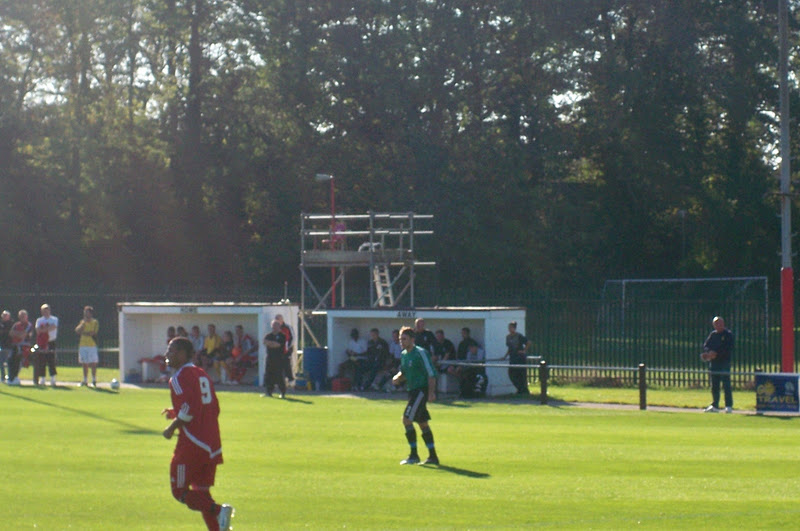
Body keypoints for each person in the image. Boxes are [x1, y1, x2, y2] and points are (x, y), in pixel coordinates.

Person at [161, 337, 234, 530]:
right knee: (201, 494)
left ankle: (220, 510)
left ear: (183, 354)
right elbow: (211, 406)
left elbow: (189, 408)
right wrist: (175, 412)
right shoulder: (202, 374)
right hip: (211, 444)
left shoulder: (178, 378)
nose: (168, 354)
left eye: (172, 350)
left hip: (192, 444)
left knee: (179, 491)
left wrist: (172, 427)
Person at [392, 327, 439, 465]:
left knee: (406, 419)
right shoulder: (404, 355)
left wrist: (431, 392)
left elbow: (431, 373)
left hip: (421, 391)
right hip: (412, 391)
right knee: (422, 423)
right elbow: (404, 372)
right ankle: (433, 457)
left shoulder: (420, 353)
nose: (401, 341)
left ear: (412, 339)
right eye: (400, 339)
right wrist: (398, 377)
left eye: (404, 339)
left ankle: (413, 455)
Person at [701, 316, 734, 413]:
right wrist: (709, 352)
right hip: (714, 363)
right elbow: (706, 345)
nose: (718, 326)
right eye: (715, 324)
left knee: (726, 384)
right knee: (714, 385)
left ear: (723, 324)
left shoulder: (728, 335)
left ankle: (728, 405)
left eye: (719, 323)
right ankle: (715, 405)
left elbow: (728, 348)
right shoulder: (713, 335)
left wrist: (716, 353)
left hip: (724, 362)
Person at [34, 303, 59, 386]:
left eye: (47, 310)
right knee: (42, 360)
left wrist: (43, 329)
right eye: (44, 311)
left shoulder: (54, 319)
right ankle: (42, 378)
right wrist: (46, 329)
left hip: (51, 342)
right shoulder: (39, 320)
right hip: (42, 343)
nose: (45, 312)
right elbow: (37, 330)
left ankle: (53, 379)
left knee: (51, 360)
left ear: (49, 310)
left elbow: (53, 327)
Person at [501, 321, 529, 395]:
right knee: (512, 374)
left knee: (521, 374)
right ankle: (519, 388)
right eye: (509, 327)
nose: (510, 329)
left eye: (511, 327)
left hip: (520, 358)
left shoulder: (519, 336)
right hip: (513, 358)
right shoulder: (508, 337)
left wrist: (523, 351)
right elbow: (510, 348)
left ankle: (523, 390)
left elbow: (528, 343)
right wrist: (505, 356)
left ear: (514, 328)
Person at [7, 309, 33, 385]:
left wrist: (16, 334)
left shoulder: (29, 325)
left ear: (26, 316)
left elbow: (23, 335)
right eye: (21, 316)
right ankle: (10, 377)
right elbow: (11, 333)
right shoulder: (16, 325)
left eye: (23, 316)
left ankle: (15, 377)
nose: (22, 318)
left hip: (24, 346)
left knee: (18, 361)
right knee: (10, 360)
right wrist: (19, 333)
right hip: (15, 345)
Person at [75, 305, 100, 387]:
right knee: (84, 363)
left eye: (87, 312)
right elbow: (77, 330)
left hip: (92, 345)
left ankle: (94, 380)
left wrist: (83, 333)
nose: (85, 314)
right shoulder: (82, 322)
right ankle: (85, 380)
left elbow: (92, 333)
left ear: (91, 313)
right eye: (85, 312)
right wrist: (83, 325)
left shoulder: (95, 322)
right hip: (83, 345)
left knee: (93, 363)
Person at [263, 319, 287, 398]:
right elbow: (265, 342)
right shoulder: (268, 335)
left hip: (279, 359)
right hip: (270, 358)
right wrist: (272, 343)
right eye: (273, 326)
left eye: (275, 325)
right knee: (269, 375)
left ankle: (282, 392)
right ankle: (269, 392)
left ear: (279, 326)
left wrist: (271, 343)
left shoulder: (282, 336)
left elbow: (278, 345)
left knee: (279, 376)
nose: (274, 327)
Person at [275, 314, 294, 384]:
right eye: (276, 319)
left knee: (287, 364)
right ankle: (280, 380)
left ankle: (290, 379)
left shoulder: (287, 327)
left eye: (278, 319)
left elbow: (293, 337)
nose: (277, 321)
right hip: (278, 350)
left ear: (282, 320)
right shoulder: (275, 328)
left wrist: (288, 346)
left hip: (287, 350)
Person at [0, 310, 12, 383]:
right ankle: (3, 376)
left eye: (5, 315)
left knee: (8, 362)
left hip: (8, 345)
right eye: (3, 315)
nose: (4, 317)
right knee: (1, 362)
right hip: (1, 345)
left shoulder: (11, 324)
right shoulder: (1, 323)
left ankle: (10, 376)